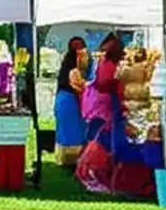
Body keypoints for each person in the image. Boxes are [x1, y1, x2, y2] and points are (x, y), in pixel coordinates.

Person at [76, 33, 156, 197]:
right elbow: (105, 83)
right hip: (108, 106)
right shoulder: (110, 65)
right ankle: (98, 169)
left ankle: (97, 169)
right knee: (103, 139)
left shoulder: (106, 63)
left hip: (108, 107)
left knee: (100, 137)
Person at [53, 37, 89, 166]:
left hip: (63, 99)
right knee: (73, 130)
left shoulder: (67, 63)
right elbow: (75, 84)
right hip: (69, 100)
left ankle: (65, 158)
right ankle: (72, 159)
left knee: (66, 130)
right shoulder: (74, 66)